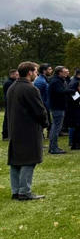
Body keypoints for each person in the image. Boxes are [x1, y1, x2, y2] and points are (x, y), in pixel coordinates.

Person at [7, 61, 48, 200]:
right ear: (30, 72)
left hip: (15, 128)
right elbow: (39, 110)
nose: (36, 74)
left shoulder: (12, 87)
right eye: (35, 71)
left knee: (16, 160)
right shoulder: (30, 88)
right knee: (29, 160)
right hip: (29, 129)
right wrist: (45, 123)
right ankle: (24, 191)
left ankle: (16, 191)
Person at [47, 66, 69, 154]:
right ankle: (53, 148)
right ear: (59, 72)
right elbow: (60, 92)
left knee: (56, 127)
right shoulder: (56, 81)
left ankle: (53, 147)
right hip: (57, 107)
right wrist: (70, 90)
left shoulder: (58, 80)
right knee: (56, 128)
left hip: (58, 106)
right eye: (65, 72)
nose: (67, 73)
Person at [66, 68, 80, 150]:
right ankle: (77, 144)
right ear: (79, 75)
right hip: (76, 107)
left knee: (79, 126)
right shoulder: (76, 82)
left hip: (75, 107)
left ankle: (76, 144)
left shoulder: (75, 81)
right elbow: (73, 94)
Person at [3, 68, 19, 140]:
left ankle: (8, 134)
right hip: (9, 103)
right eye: (16, 74)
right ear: (12, 75)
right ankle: (5, 135)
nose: (18, 76)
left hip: (10, 102)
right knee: (7, 118)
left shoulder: (12, 82)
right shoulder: (9, 83)